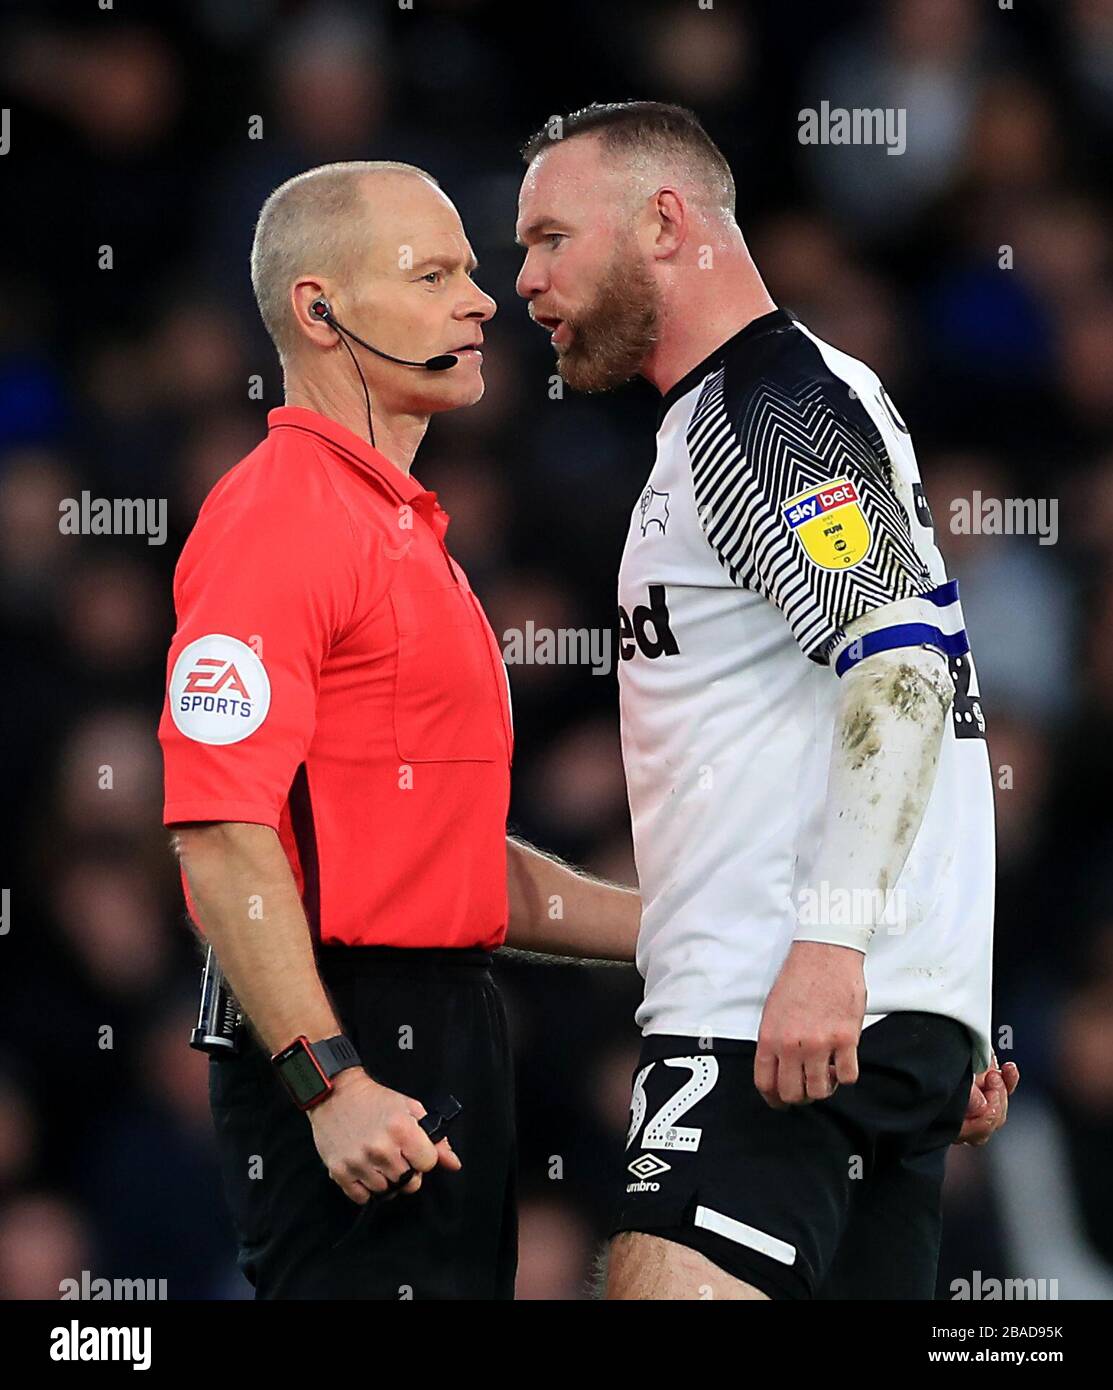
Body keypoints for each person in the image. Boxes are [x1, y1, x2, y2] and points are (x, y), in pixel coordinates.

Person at [515, 102, 1019, 1301]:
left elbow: (900, 666)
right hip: (858, 1013)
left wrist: (836, 944)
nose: (522, 281)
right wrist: (935, 994)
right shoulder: (794, 397)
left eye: (548, 239)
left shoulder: (759, 404)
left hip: (769, 1020)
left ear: (664, 221)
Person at [158, 160, 639, 1300]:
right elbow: (222, 833)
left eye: (473, 272)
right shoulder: (280, 517)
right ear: (320, 310)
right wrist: (329, 1080)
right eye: (433, 275)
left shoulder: (401, 529)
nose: (481, 300)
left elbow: (451, 867)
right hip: (345, 1030)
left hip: (445, 1021)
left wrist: (673, 931)